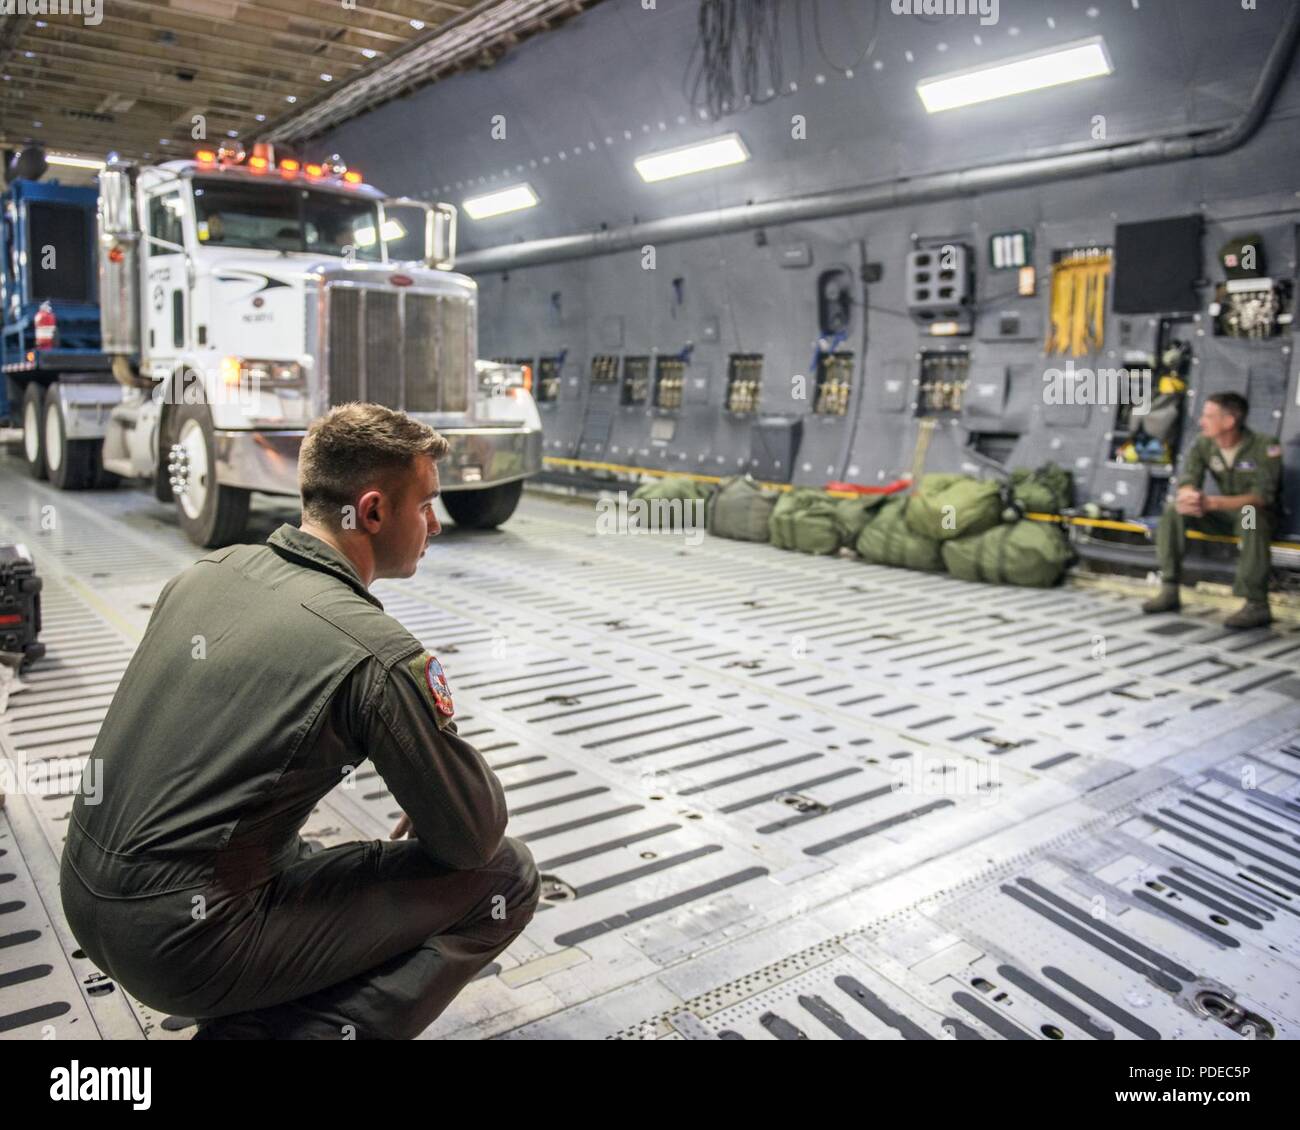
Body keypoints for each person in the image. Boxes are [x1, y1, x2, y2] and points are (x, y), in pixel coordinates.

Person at [59, 402, 540, 1039]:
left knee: (302, 856)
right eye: (426, 504)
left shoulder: (206, 573)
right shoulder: (377, 652)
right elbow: (472, 841)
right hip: (182, 946)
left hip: (84, 897)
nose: (436, 525)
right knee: (508, 875)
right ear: (371, 512)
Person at [1142, 391, 1283, 629]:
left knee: (1251, 514)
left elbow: (1261, 497)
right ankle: (1169, 588)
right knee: (1174, 509)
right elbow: (1189, 477)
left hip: (1254, 516)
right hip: (1222, 516)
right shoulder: (1203, 444)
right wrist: (1189, 495)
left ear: (1229, 421)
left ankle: (1256, 604)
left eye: (1208, 415)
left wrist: (1212, 503)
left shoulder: (1265, 446)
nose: (1201, 421)